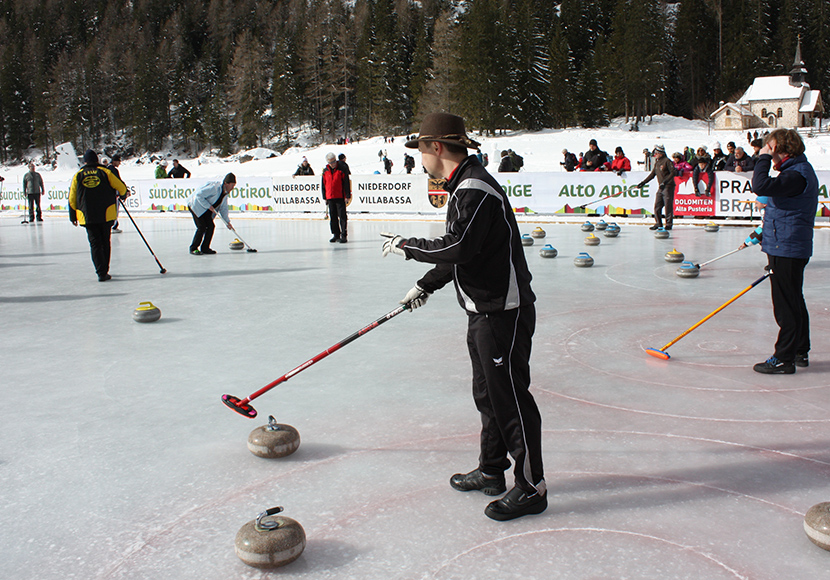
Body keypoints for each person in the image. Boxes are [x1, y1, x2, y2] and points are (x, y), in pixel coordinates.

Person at [382, 112, 545, 522]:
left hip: (502, 313)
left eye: (420, 149)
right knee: (487, 396)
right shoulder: (463, 187)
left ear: (436, 147)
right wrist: (426, 284)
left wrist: (408, 245)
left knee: (510, 400)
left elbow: (458, 248)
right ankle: (492, 470)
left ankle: (532, 488)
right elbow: (465, 254)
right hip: (482, 311)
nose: (419, 160)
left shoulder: (474, 188)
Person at [750, 128, 818, 374]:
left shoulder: (797, 175)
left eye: (772, 147)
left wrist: (763, 158)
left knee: (785, 304)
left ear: (782, 149)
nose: (769, 151)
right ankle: (800, 350)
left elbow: (760, 185)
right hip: (786, 244)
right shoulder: (796, 172)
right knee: (794, 299)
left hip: (787, 247)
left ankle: (784, 358)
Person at [68, 150, 128, 281]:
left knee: (95, 244)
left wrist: (73, 216)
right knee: (105, 241)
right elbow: (121, 187)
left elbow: (72, 198)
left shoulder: (78, 175)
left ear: (84, 162)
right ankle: (105, 269)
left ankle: (100, 272)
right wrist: (123, 194)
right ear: (97, 160)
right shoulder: (105, 172)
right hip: (106, 213)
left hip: (87, 215)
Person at [186, 173, 235, 255]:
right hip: (195, 205)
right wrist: (208, 206)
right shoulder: (214, 188)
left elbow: (224, 208)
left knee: (211, 226)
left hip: (206, 209)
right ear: (226, 183)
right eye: (232, 185)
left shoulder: (225, 194)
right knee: (201, 227)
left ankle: (205, 248)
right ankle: (193, 248)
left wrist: (227, 222)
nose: (233, 188)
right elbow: (198, 195)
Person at [637, 144, 676, 230]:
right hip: (661, 187)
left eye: (656, 153)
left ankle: (669, 224)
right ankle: (658, 223)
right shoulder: (657, 163)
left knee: (668, 205)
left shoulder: (667, 161)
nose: (655, 155)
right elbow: (652, 174)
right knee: (657, 206)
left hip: (668, 186)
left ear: (660, 153)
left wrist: (665, 181)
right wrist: (643, 182)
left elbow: (673, 172)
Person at [322, 152, 350, 243]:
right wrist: (325, 196)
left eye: (334, 161)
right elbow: (323, 184)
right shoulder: (325, 171)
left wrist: (347, 195)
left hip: (340, 196)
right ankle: (335, 234)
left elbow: (346, 183)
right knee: (333, 217)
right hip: (330, 197)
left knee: (342, 216)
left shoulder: (341, 169)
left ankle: (343, 235)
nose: (333, 164)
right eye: (331, 162)